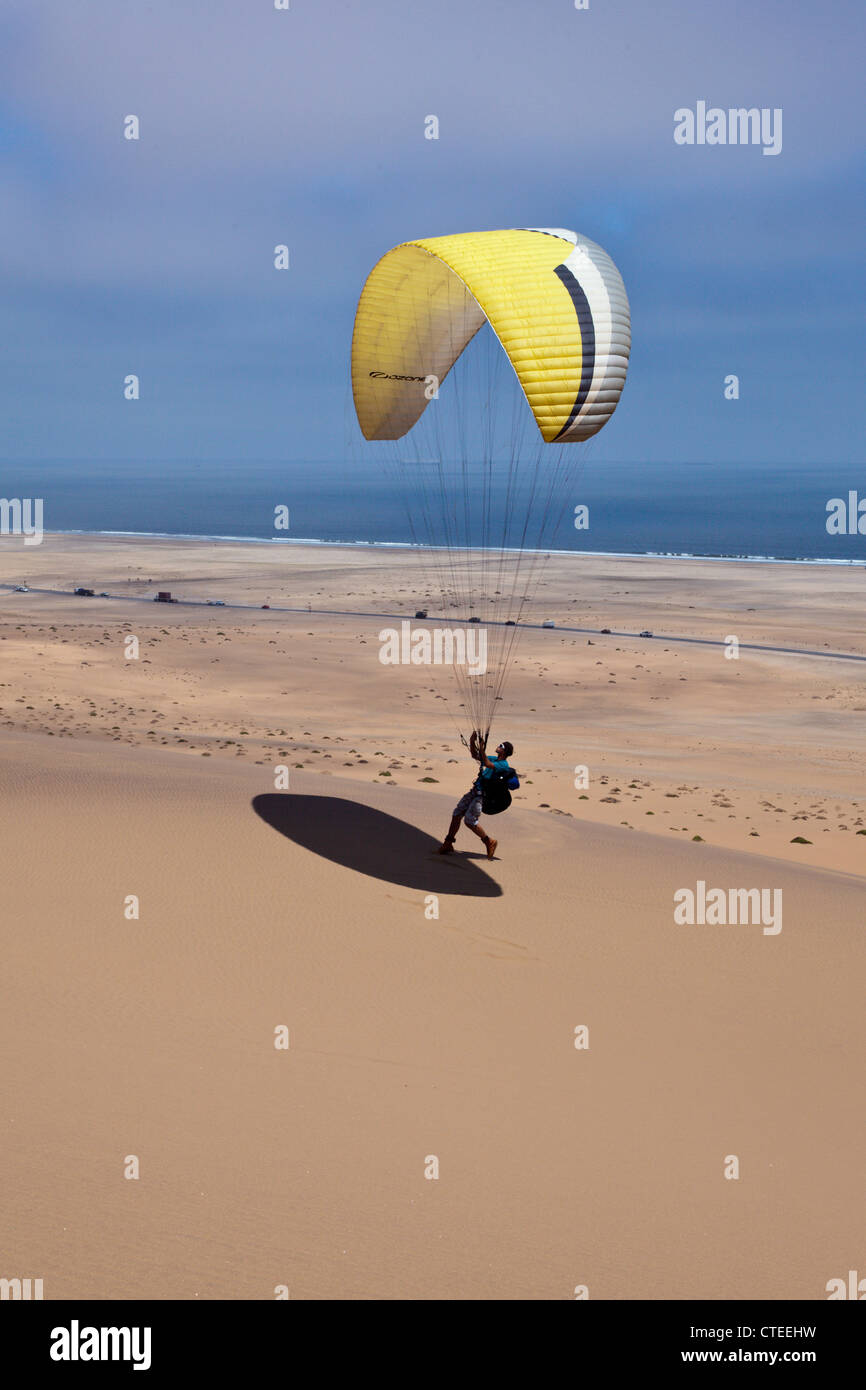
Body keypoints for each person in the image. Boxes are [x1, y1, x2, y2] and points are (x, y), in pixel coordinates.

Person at [437, 731, 514, 860]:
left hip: (482, 796)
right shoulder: (494, 758)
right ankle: (448, 843)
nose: (498, 746)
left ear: (504, 751)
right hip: (474, 791)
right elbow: (475, 755)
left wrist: (483, 748)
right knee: (457, 813)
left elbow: (488, 764)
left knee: (469, 820)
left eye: (501, 746)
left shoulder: (503, 765)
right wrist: (472, 741)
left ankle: (489, 841)